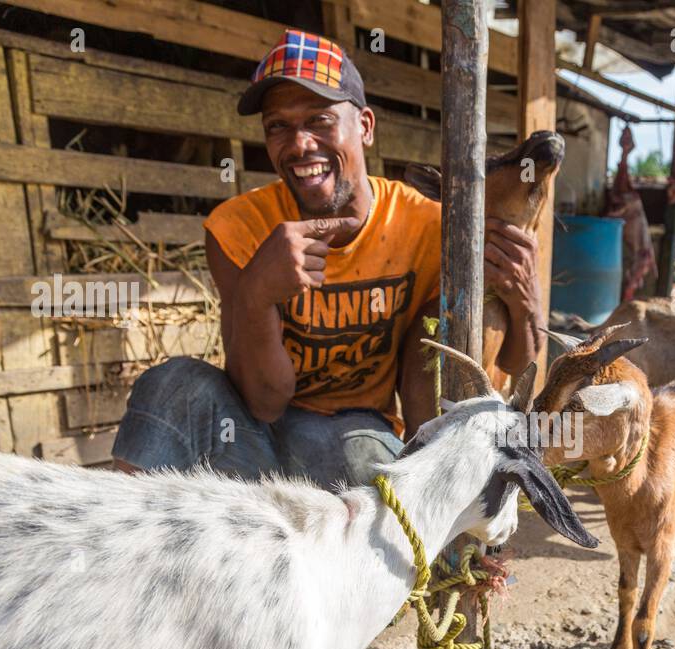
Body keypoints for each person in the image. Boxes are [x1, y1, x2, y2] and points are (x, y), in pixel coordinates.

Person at [112, 30, 545, 484]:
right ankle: (116, 544)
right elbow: (263, 402)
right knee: (172, 384)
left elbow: (513, 366)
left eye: (319, 120)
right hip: (248, 437)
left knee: (352, 453)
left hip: (353, 435)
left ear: (365, 126)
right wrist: (258, 293)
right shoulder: (236, 229)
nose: (298, 145)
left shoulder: (428, 228)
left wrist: (525, 300)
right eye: (278, 126)